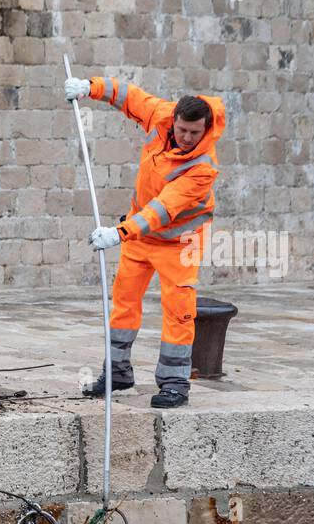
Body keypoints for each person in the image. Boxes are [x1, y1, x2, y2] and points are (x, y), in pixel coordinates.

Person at [64, 73, 226, 408]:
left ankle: (175, 382)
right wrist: (89, 88)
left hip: (179, 242)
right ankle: (117, 372)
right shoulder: (162, 115)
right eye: (182, 129)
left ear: (205, 129)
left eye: (194, 133)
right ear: (175, 119)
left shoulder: (203, 167)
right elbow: (127, 95)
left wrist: (118, 233)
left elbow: (163, 209)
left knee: (179, 310)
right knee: (123, 303)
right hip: (140, 235)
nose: (185, 137)